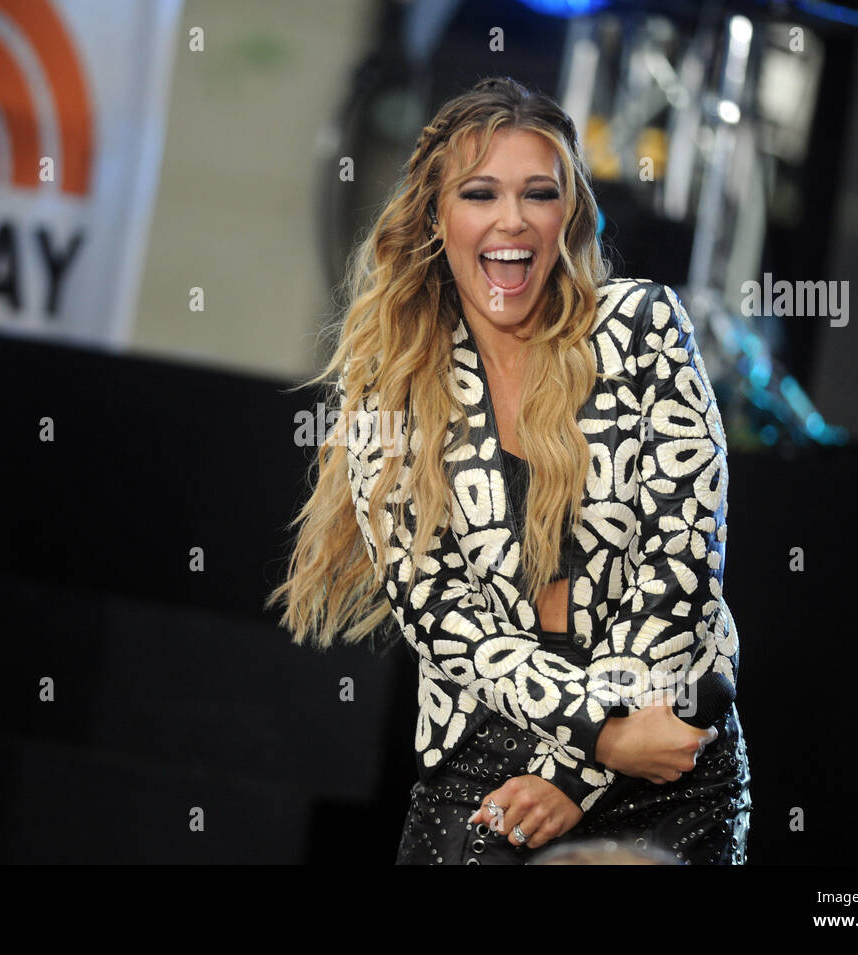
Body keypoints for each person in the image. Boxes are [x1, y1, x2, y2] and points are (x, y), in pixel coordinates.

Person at [267, 76, 750, 865]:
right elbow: (445, 617)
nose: (511, 219)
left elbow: (681, 569)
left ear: (570, 215)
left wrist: (579, 771)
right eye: (481, 193)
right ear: (435, 217)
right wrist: (600, 738)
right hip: (489, 769)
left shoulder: (643, 327)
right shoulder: (387, 382)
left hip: (667, 755)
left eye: (538, 193)